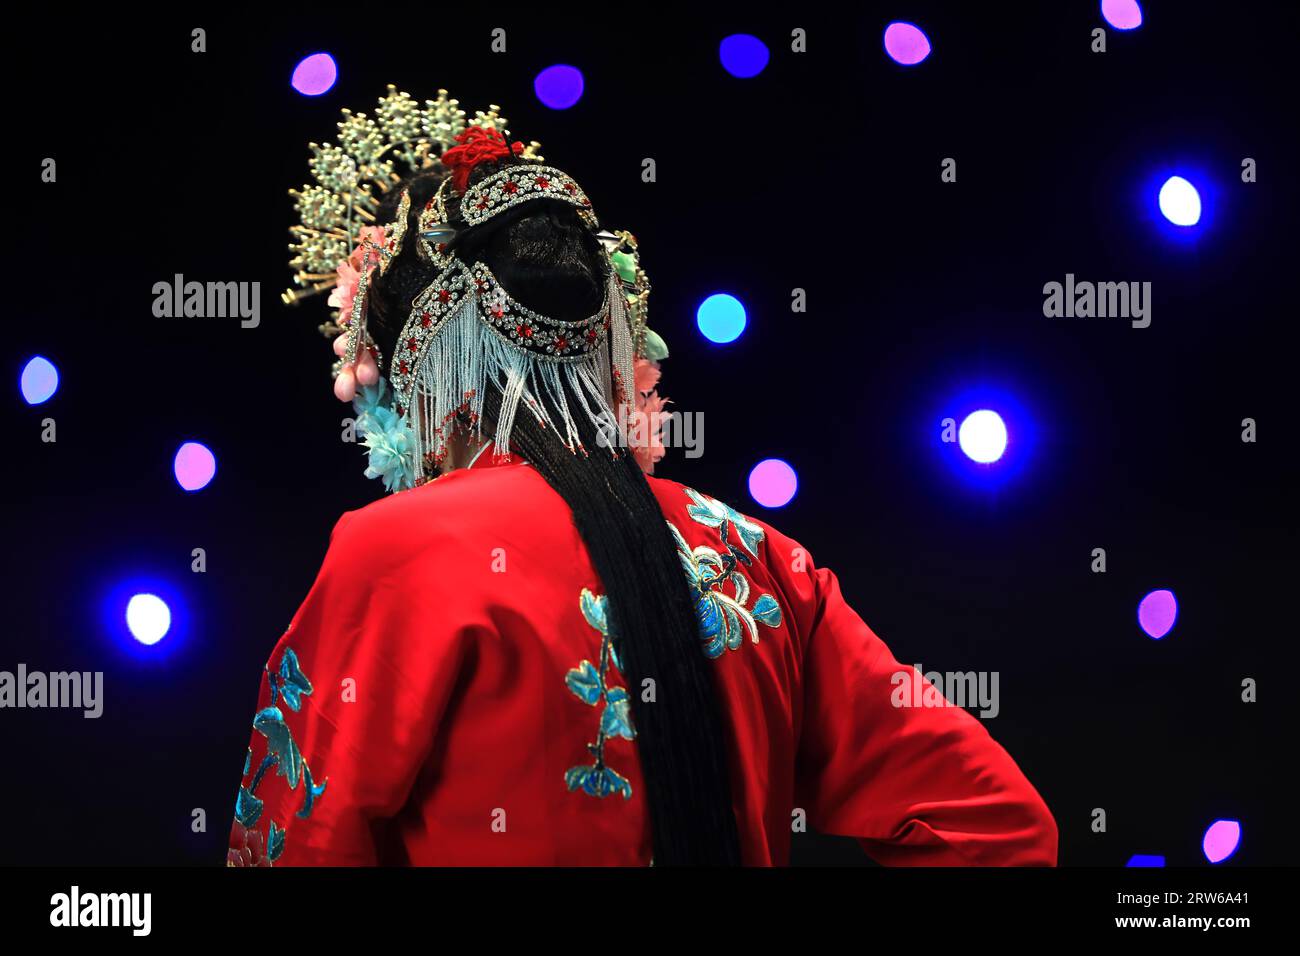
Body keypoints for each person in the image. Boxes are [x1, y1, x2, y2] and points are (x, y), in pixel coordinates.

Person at [229, 88, 1057, 867]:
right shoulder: (758, 558)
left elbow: (297, 845)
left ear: (417, 376)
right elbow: (999, 826)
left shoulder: (395, 550)